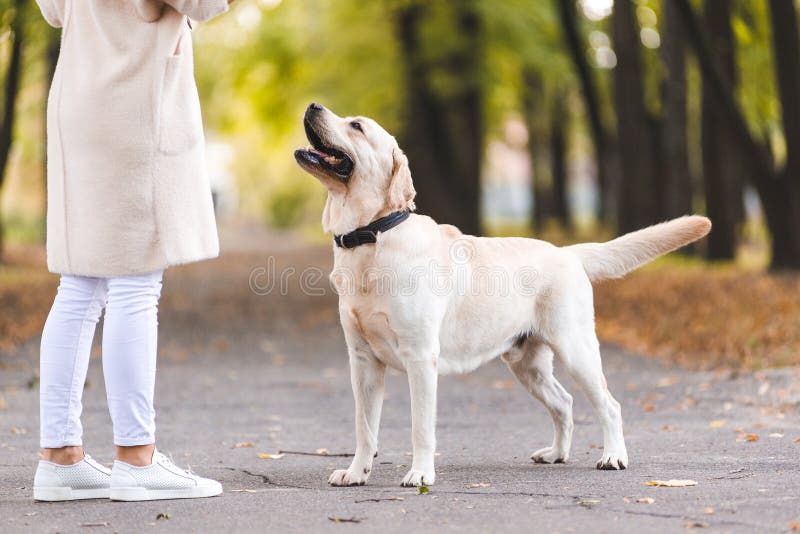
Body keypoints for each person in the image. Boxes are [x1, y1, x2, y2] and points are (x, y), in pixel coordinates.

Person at [32, 0, 232, 502]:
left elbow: (54, 12)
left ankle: (60, 458)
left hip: (79, 102)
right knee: (136, 282)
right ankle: (136, 457)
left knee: (80, 284)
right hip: (132, 103)